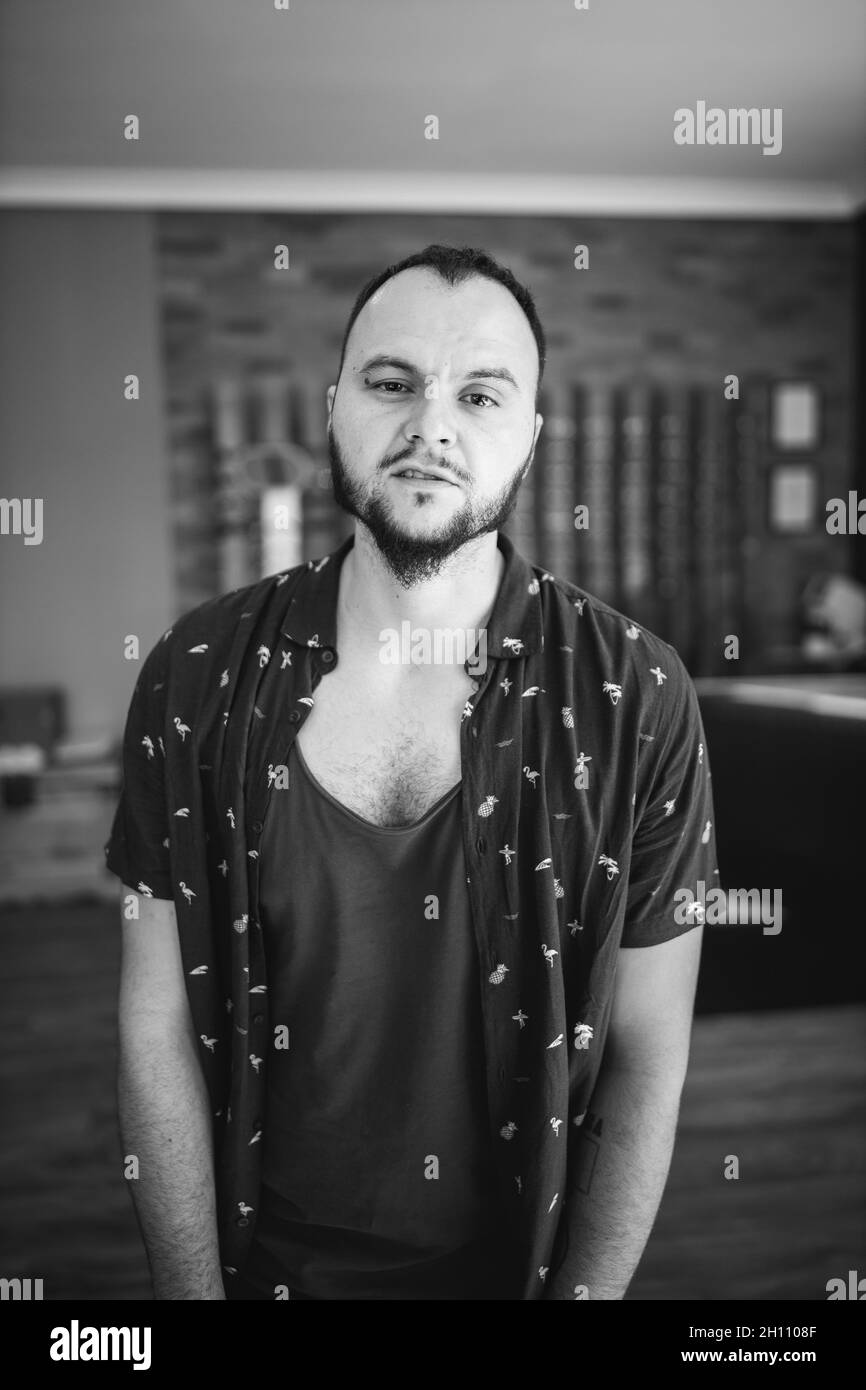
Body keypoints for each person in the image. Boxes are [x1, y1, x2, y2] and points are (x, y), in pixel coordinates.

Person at [105, 244, 717, 1301]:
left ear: (525, 438)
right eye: (391, 382)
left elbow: (646, 1054)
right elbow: (154, 1022)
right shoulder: (196, 673)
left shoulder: (637, 697)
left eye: (478, 394)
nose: (431, 425)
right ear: (333, 402)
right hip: (261, 1270)